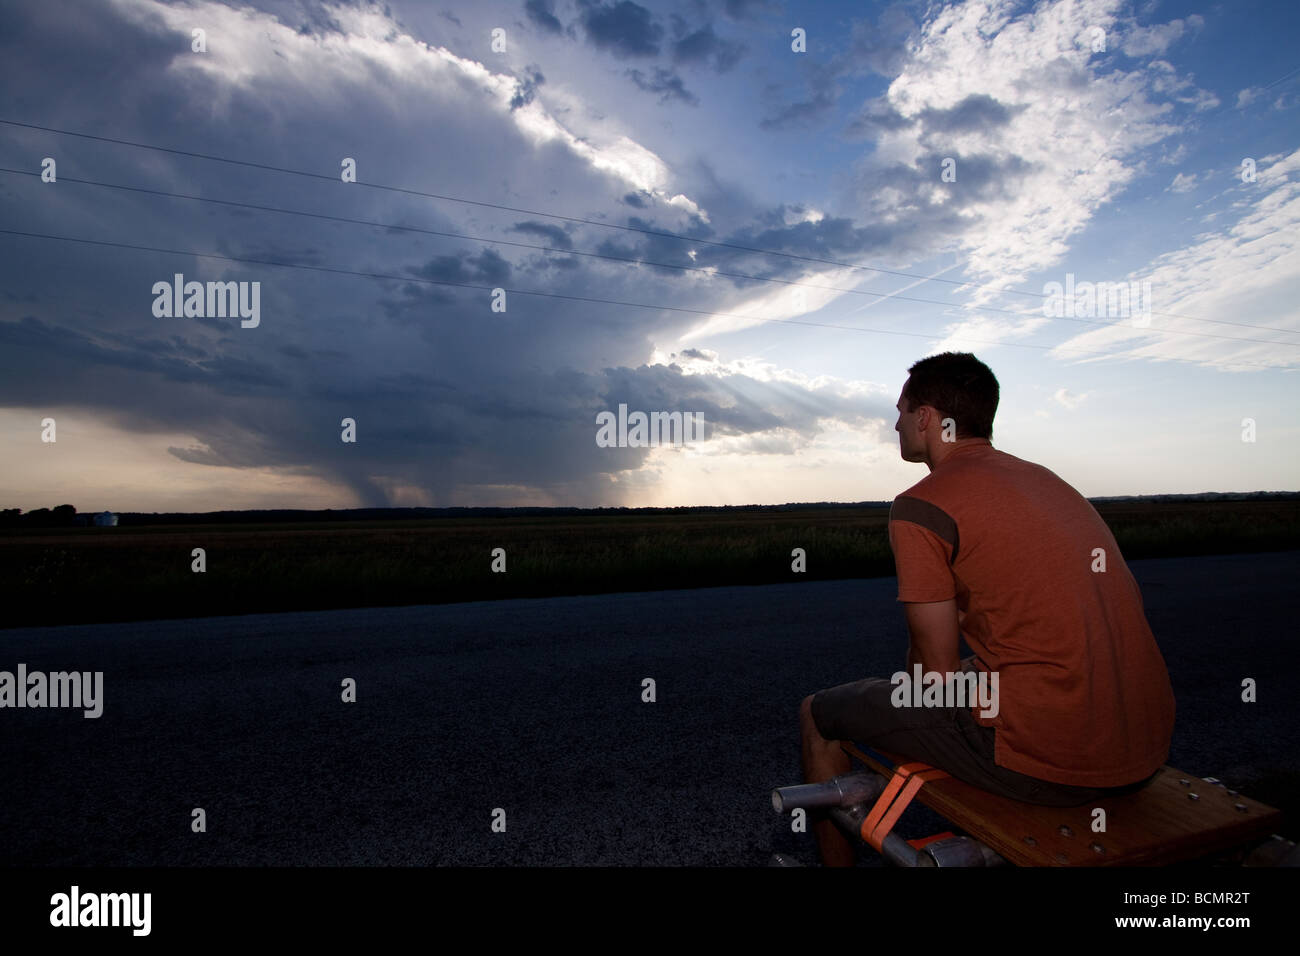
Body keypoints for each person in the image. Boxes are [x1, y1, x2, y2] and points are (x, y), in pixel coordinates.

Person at [799, 352, 1176, 867]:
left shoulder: (921, 504)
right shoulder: (1047, 481)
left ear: (927, 418)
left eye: (902, 410)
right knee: (974, 678)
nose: (895, 423)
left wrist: (915, 682)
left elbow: (933, 679)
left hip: (1056, 762)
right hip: (1144, 744)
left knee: (818, 712)